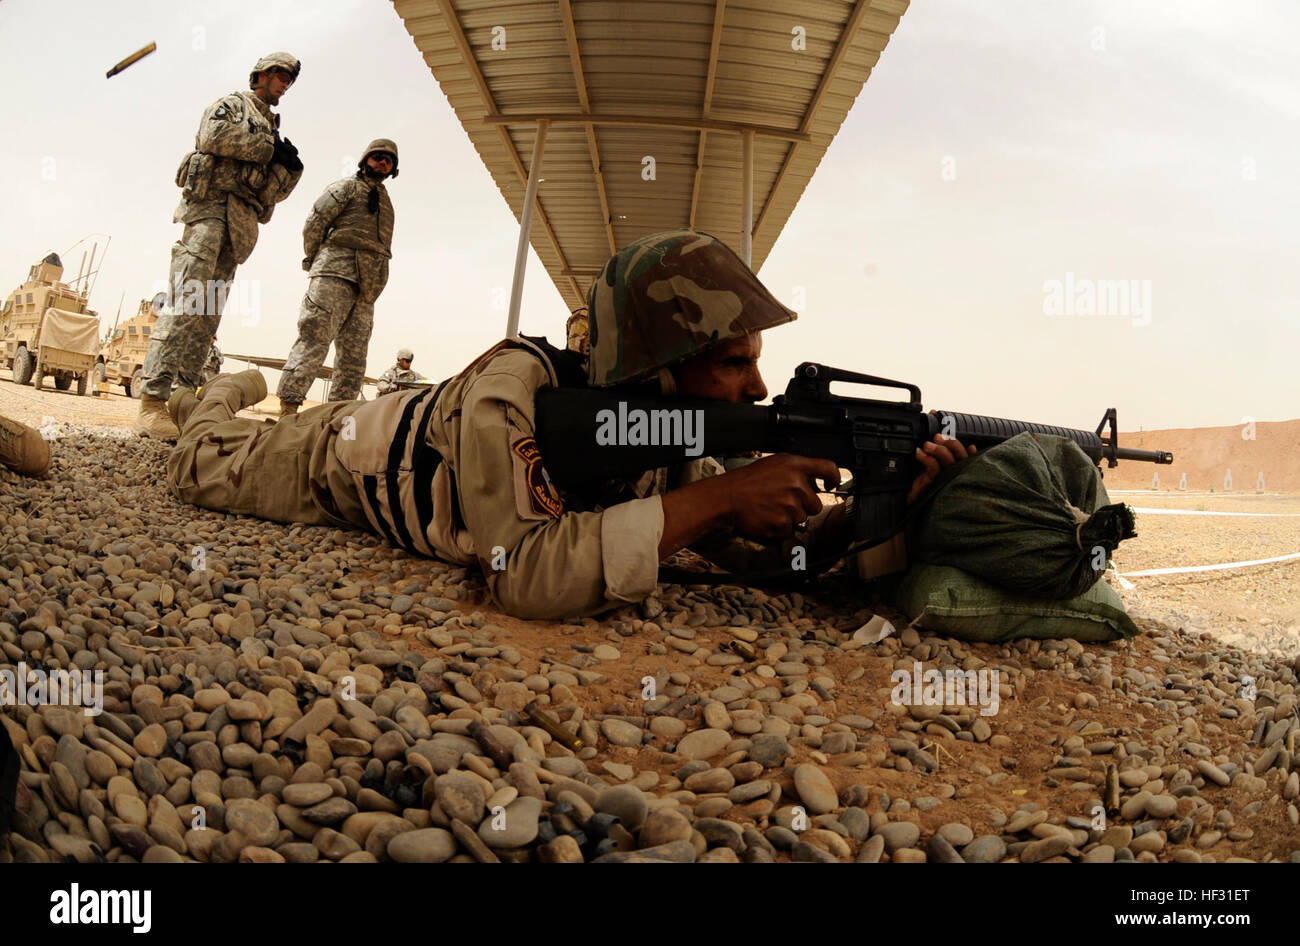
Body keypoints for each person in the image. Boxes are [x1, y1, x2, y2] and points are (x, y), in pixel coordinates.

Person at [163, 230, 970, 619]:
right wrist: (725, 499)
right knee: (198, 463)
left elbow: (766, 550)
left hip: (388, 435)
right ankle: (217, 392)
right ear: (659, 367)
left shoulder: (667, 435)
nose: (756, 386)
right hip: (338, 455)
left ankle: (224, 395)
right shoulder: (511, 392)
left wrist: (885, 509)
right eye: (731, 363)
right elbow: (526, 575)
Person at [133, 52, 304, 441]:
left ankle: (182, 402)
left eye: (289, 80)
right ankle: (151, 404)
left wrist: (287, 170)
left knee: (207, 318)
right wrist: (266, 149)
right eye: (280, 75)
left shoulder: (272, 127)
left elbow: (269, 192)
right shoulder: (232, 105)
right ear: (260, 75)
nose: (284, 84)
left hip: (239, 225)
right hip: (210, 210)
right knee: (184, 303)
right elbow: (212, 137)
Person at [276, 139, 399, 415]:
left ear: (393, 169)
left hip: (367, 288)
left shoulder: (387, 204)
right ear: (365, 159)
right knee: (314, 339)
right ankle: (289, 408)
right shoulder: (344, 188)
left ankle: (337, 417)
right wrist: (315, 259)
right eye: (377, 156)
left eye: (388, 160)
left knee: (354, 358)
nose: (382, 162)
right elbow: (315, 224)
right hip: (334, 275)